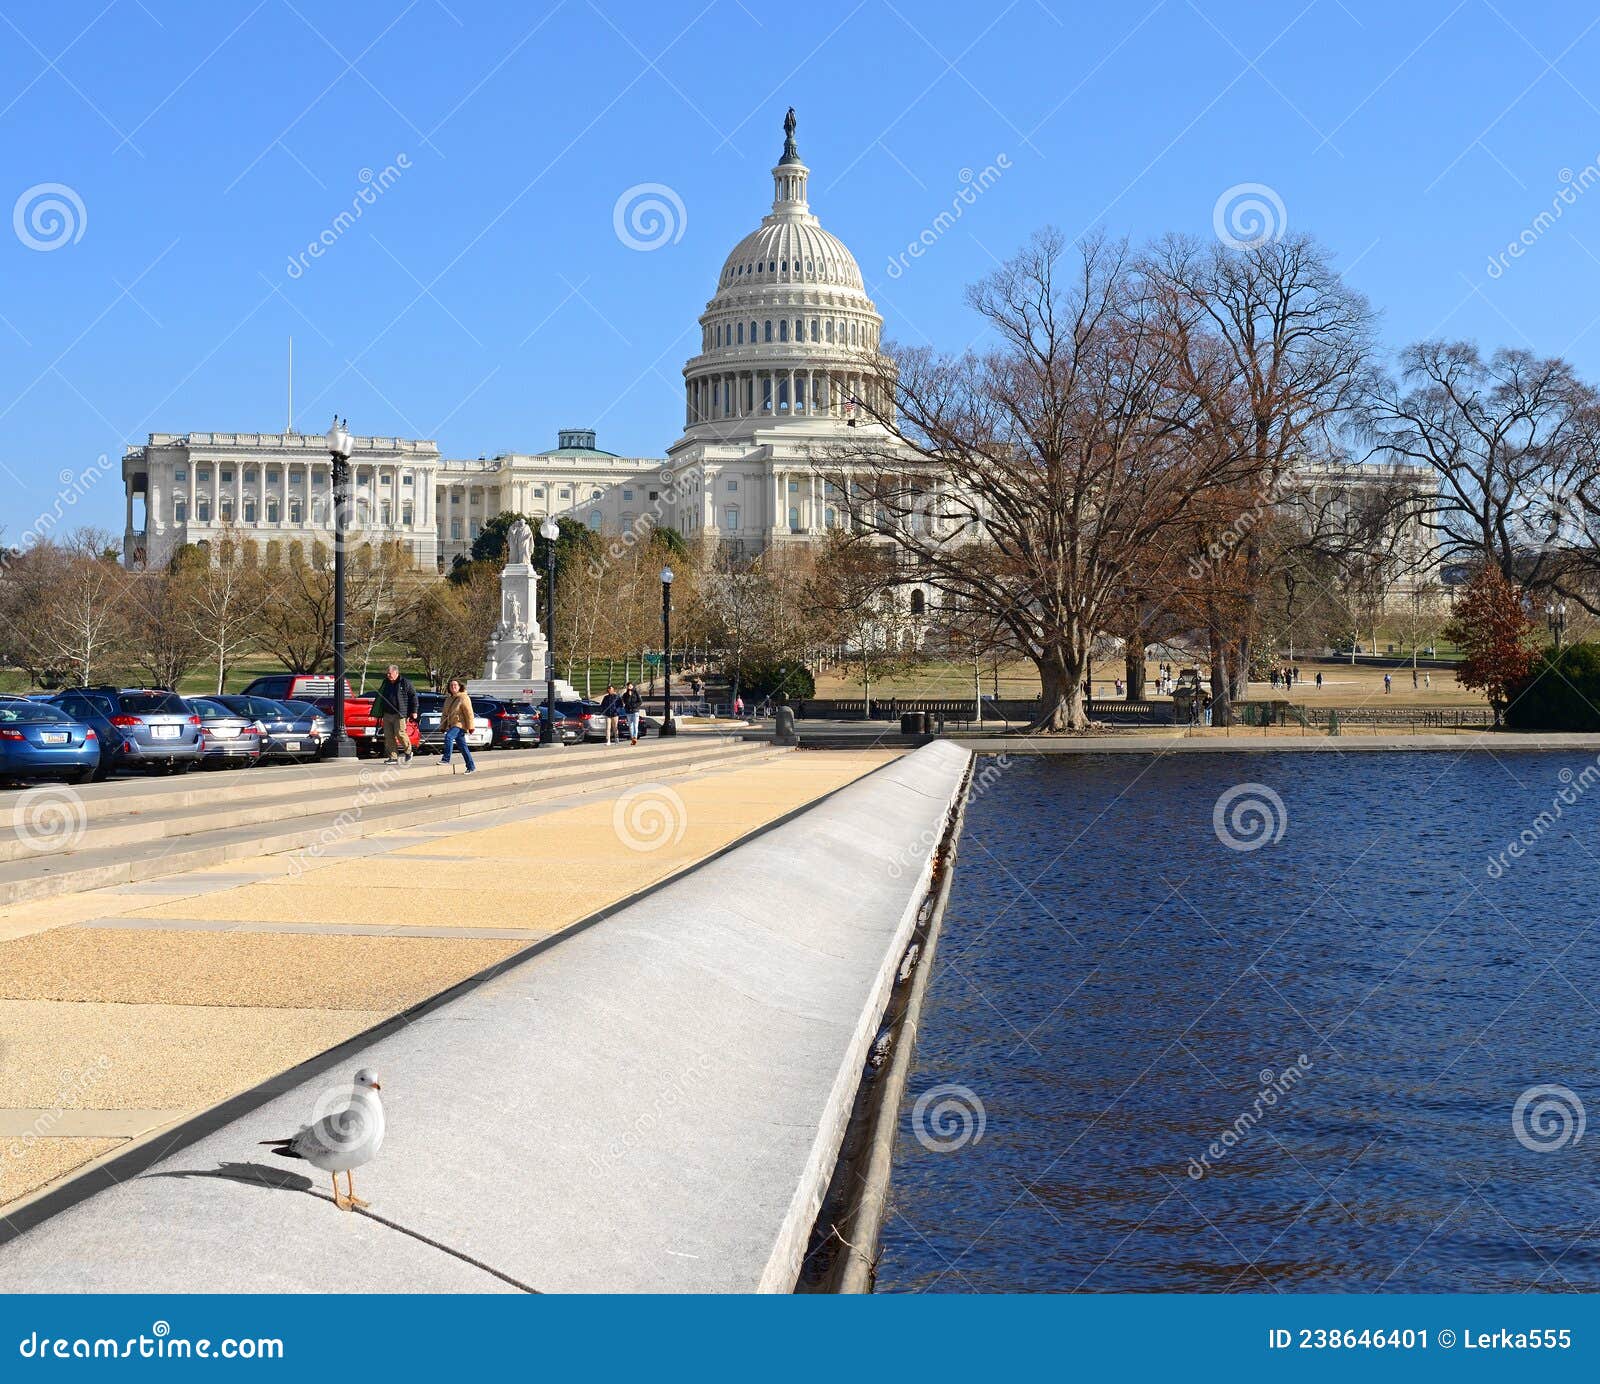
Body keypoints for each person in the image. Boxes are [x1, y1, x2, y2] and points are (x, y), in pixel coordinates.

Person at [373, 664, 417, 765]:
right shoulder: (386, 682)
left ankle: (408, 751)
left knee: (400, 733)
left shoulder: (405, 682)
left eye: (390, 673)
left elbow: (413, 697)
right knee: (388, 736)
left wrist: (414, 711)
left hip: (400, 713)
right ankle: (393, 757)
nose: (388, 675)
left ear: (396, 673)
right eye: (387, 673)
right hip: (387, 713)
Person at [439, 678, 477, 774]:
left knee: (449, 737)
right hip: (451, 724)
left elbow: (469, 713)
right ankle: (471, 766)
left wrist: (471, 726)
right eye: (451, 685)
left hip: (460, 724)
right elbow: (444, 714)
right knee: (463, 747)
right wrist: (442, 726)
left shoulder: (464, 697)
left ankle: (446, 759)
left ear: (460, 687)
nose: (453, 687)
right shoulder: (448, 699)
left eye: (455, 685)